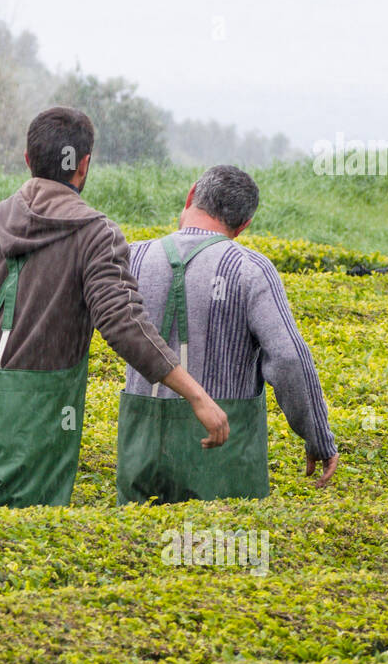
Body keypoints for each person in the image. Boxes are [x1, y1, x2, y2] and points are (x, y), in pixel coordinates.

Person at [0, 106, 228, 508]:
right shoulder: (95, 236)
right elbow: (123, 323)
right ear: (83, 166)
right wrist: (197, 397)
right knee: (10, 557)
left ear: (28, 159)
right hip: (29, 431)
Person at [118, 164, 339, 503]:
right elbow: (288, 359)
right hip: (222, 458)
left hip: (142, 453)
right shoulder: (250, 269)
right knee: (221, 550)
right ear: (243, 226)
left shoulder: (133, 257)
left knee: (142, 549)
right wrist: (318, 437)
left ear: (192, 194)